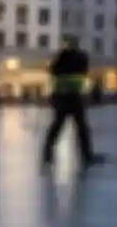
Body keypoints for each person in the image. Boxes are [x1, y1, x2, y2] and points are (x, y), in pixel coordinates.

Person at [41, 37, 104, 168]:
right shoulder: (81, 57)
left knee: (57, 126)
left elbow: (52, 71)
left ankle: (47, 154)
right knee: (81, 127)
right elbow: (84, 71)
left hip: (62, 95)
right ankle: (86, 155)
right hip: (75, 96)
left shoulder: (61, 57)